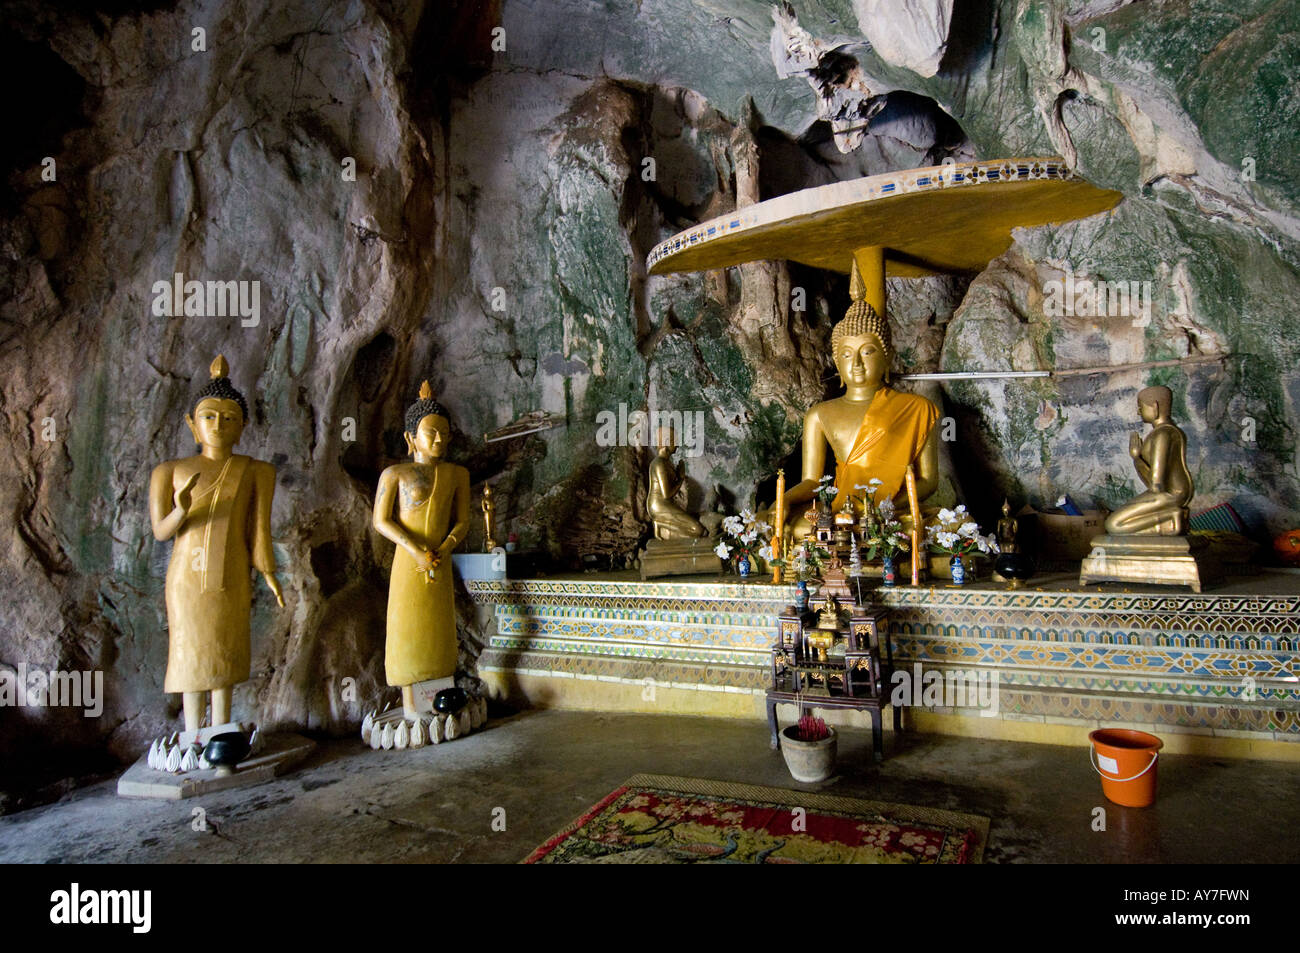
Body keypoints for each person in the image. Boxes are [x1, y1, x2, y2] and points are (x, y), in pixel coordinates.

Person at [149, 355, 283, 734]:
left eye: (228, 418)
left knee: (224, 652)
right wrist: (180, 510)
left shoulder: (255, 471)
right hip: (186, 580)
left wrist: (268, 571)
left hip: (232, 574)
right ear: (193, 424)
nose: (218, 424)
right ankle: (193, 734)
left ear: (242, 426)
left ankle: (221, 729)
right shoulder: (169, 471)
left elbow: (258, 529)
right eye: (209, 416)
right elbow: (161, 531)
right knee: (191, 654)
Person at [773, 284, 940, 540]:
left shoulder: (918, 408)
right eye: (847, 355)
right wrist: (783, 501)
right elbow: (812, 481)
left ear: (887, 357)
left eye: (868, 351)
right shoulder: (819, 414)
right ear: (837, 362)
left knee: (948, 524)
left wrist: (884, 508)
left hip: (893, 510)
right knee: (796, 527)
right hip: (843, 512)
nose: (857, 363)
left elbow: (928, 480)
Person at [373, 382, 471, 719]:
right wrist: (416, 550)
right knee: (407, 625)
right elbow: (381, 522)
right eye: (431, 433)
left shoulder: (457, 475)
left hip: (440, 560)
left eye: (445, 433)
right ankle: (412, 701)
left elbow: (462, 522)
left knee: (439, 626)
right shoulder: (395, 474)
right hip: (408, 563)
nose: (439, 440)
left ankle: (443, 688)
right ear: (410, 438)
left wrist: (445, 547)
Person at [1104, 385, 1193, 535]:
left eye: (1141, 407)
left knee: (1113, 525)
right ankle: (1169, 521)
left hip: (1170, 496)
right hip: (1175, 493)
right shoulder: (1171, 431)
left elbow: (1156, 485)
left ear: (1155, 407)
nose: (1138, 411)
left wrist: (1137, 458)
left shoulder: (1162, 435)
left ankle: (1171, 519)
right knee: (1117, 522)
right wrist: (1137, 458)